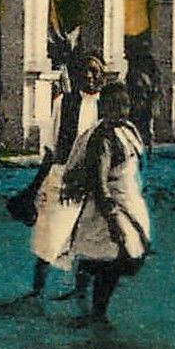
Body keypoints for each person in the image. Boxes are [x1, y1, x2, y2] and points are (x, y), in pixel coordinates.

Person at [61, 79, 151, 323]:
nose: (121, 110)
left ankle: (90, 294)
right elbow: (100, 183)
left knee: (121, 258)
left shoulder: (127, 131)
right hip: (109, 208)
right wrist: (112, 220)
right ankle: (97, 312)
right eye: (114, 105)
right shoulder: (102, 139)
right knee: (116, 259)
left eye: (124, 105)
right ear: (103, 106)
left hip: (129, 201)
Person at [24, 53, 105, 299]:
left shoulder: (107, 106)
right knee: (49, 237)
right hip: (64, 177)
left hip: (94, 180)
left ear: (103, 74)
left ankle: (81, 292)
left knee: (88, 237)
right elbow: (51, 147)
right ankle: (36, 290)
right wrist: (36, 185)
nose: (88, 76)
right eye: (84, 70)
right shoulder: (64, 102)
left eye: (94, 71)